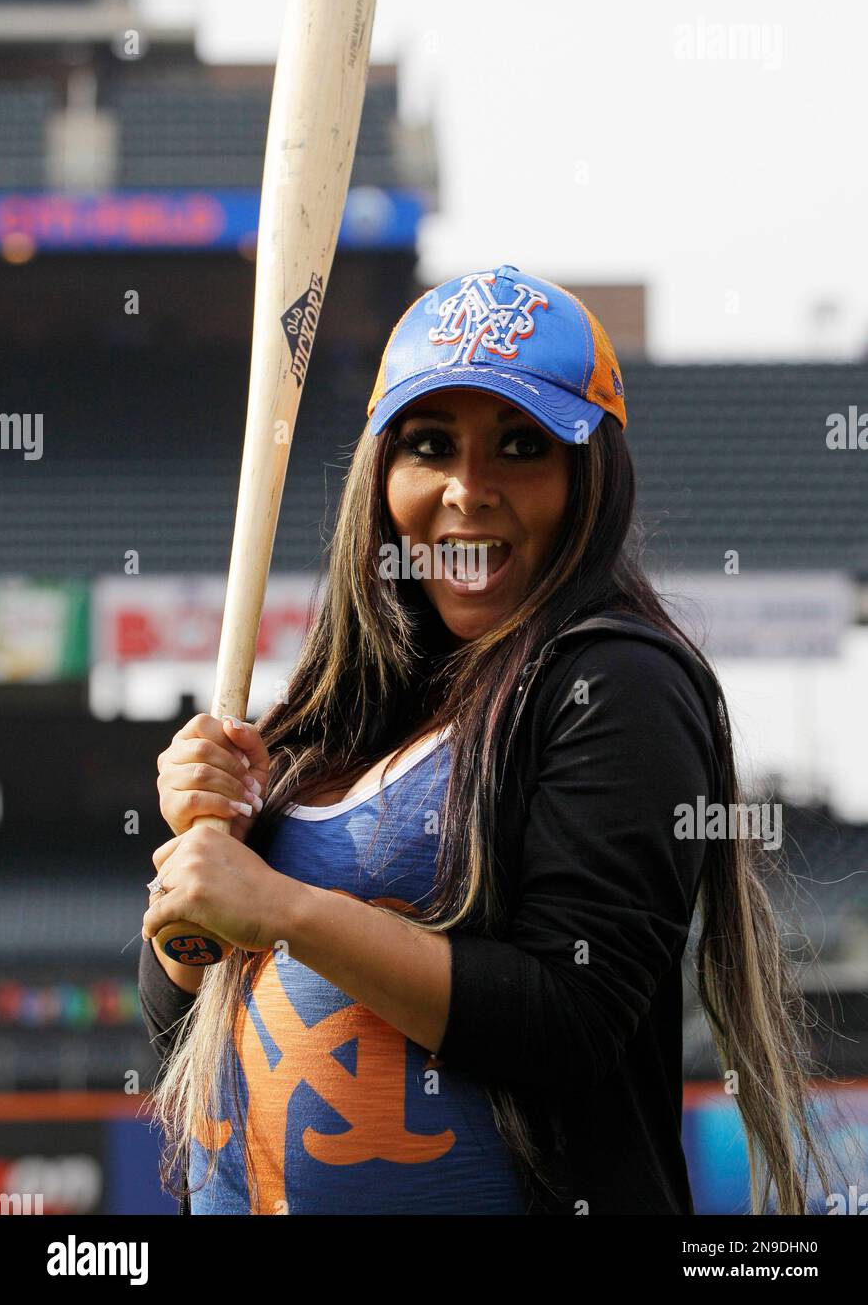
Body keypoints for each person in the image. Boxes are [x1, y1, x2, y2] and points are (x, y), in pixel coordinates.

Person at [139, 263, 838, 1215]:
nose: (469, 490)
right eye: (430, 445)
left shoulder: (613, 683)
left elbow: (567, 1018)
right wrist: (199, 864)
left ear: (588, 478)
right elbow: (179, 1021)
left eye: (521, 446)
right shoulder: (326, 715)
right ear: (381, 478)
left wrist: (282, 908)